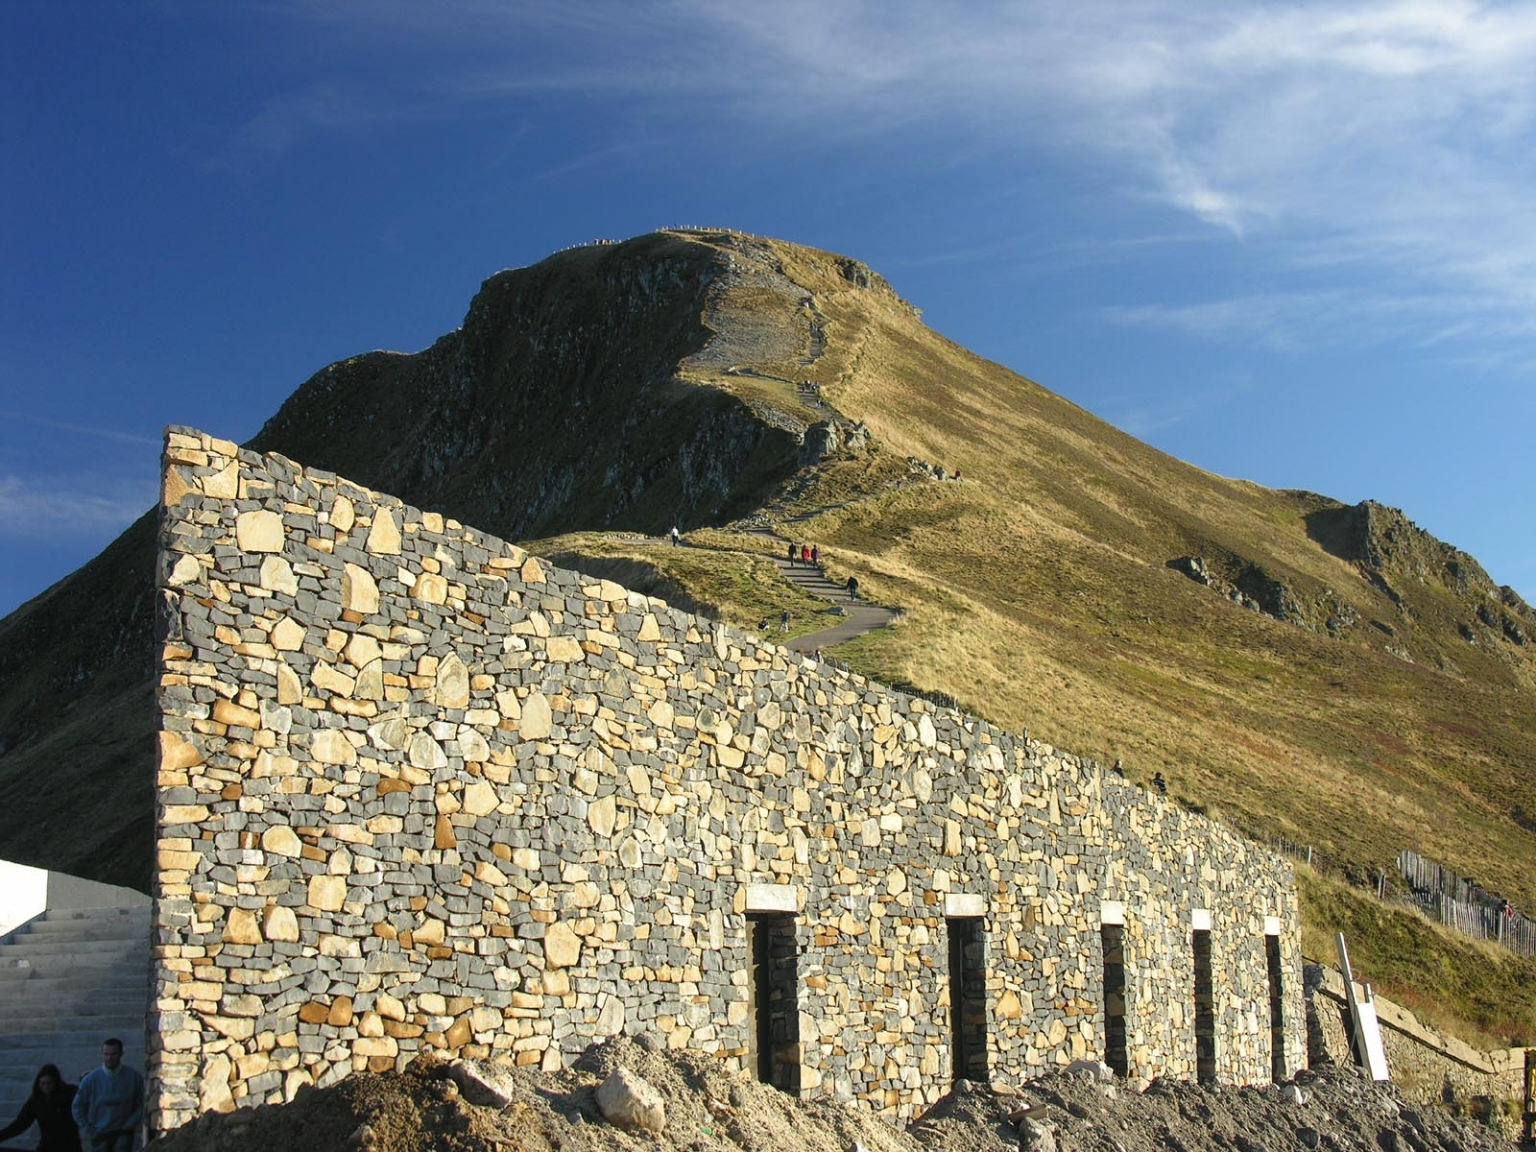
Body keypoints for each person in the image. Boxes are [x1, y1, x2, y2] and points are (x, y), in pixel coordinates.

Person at [71, 1040, 142, 1152]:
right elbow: (77, 1107)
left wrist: (130, 1124)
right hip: (100, 1133)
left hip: (123, 1133)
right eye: (106, 1054)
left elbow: (143, 1103)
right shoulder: (90, 1079)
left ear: (121, 1054)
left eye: (113, 1054)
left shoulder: (134, 1077)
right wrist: (89, 1130)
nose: (109, 1058)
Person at [0, 1064, 81, 1152]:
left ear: (56, 1082)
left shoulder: (69, 1094)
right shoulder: (36, 1101)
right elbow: (20, 1124)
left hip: (70, 1146)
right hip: (47, 1146)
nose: (46, 1087)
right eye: (42, 1083)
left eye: (49, 1083)